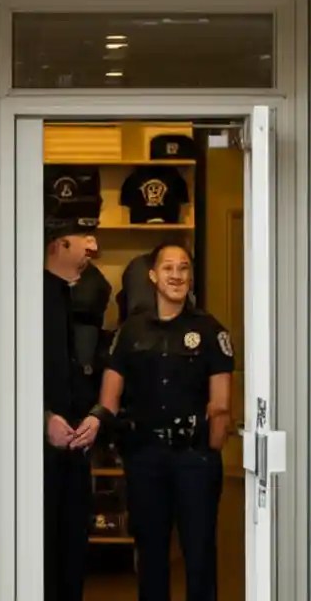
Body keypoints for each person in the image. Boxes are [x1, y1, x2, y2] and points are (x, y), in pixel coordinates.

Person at [90, 242, 233, 601]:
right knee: (151, 552)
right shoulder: (130, 331)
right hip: (145, 457)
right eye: (168, 268)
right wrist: (104, 431)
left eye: (183, 268)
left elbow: (221, 404)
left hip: (194, 458)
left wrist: (209, 451)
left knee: (199, 552)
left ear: (191, 277)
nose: (176, 275)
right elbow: (109, 398)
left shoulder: (210, 331)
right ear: (153, 276)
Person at [42, 217, 101, 601]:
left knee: (72, 546)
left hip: (73, 449)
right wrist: (42, 418)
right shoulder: (26, 297)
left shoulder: (68, 294)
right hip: (37, 457)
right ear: (58, 245)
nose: (92, 247)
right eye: (84, 237)